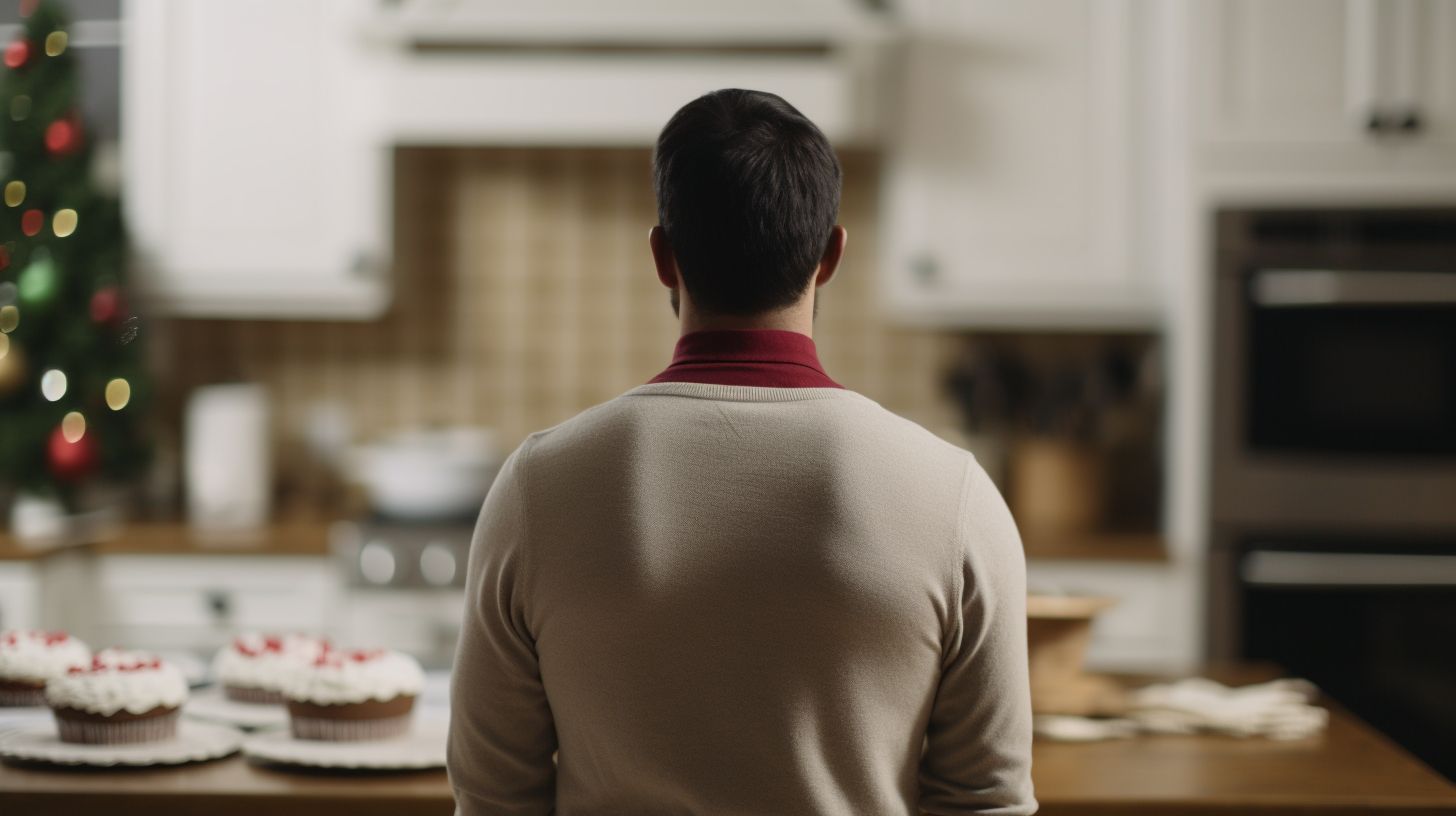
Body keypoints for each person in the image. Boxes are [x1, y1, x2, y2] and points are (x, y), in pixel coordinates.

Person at [448, 88, 1036, 816]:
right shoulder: (955, 497)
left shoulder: (538, 487)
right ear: (830, 255)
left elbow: (493, 799)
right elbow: (985, 800)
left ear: (663, 256)